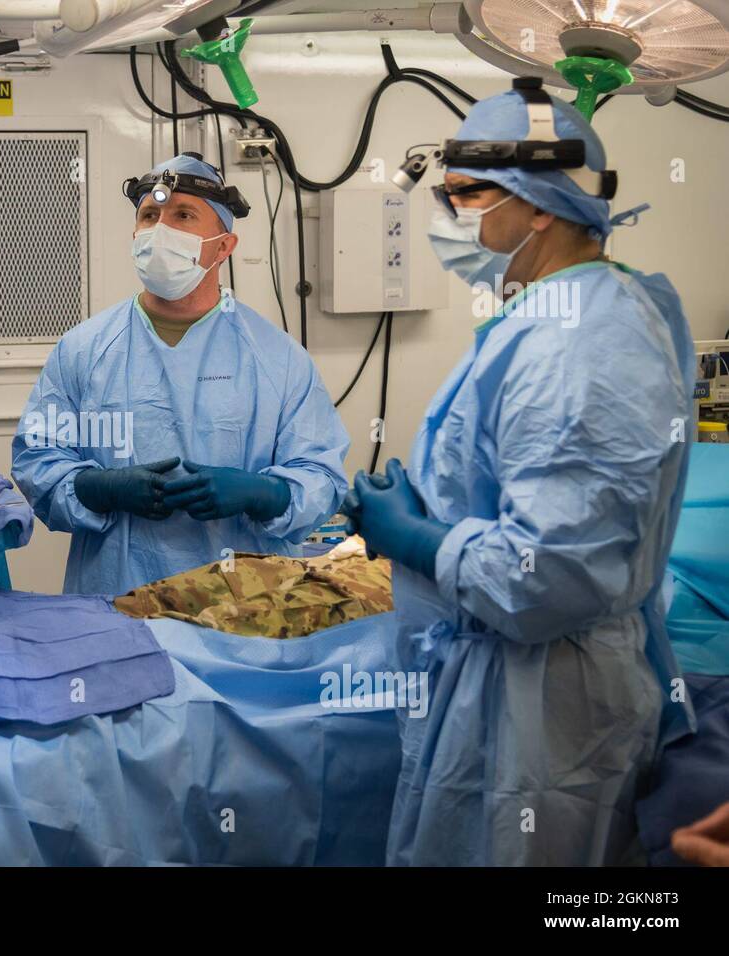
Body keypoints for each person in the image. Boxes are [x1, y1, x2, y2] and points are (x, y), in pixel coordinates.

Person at [343, 79, 696, 865]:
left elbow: (550, 578)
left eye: (466, 195)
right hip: (509, 682)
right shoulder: (555, 317)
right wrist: (424, 513)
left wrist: (421, 540)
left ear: (538, 205)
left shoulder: (580, 344)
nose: (447, 215)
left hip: (546, 709)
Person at [13, 153, 348, 595]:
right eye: (149, 215)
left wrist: (263, 493)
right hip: (115, 598)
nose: (160, 229)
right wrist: (97, 488)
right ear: (135, 235)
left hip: (243, 610)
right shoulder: (83, 349)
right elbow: (38, 459)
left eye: (183, 215)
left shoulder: (277, 358)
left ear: (224, 246)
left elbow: (322, 478)